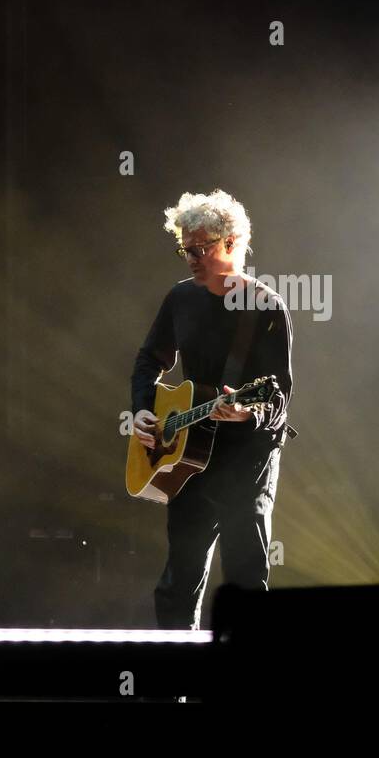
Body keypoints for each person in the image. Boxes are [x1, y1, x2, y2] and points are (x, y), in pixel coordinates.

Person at [130, 190, 293, 630]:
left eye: (199, 249)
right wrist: (145, 410)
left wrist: (245, 412)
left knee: (244, 584)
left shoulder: (265, 306)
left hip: (247, 461)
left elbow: (278, 396)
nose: (190, 259)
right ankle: (176, 693)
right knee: (177, 584)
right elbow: (149, 361)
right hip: (188, 457)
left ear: (232, 242)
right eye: (185, 249)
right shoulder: (180, 299)